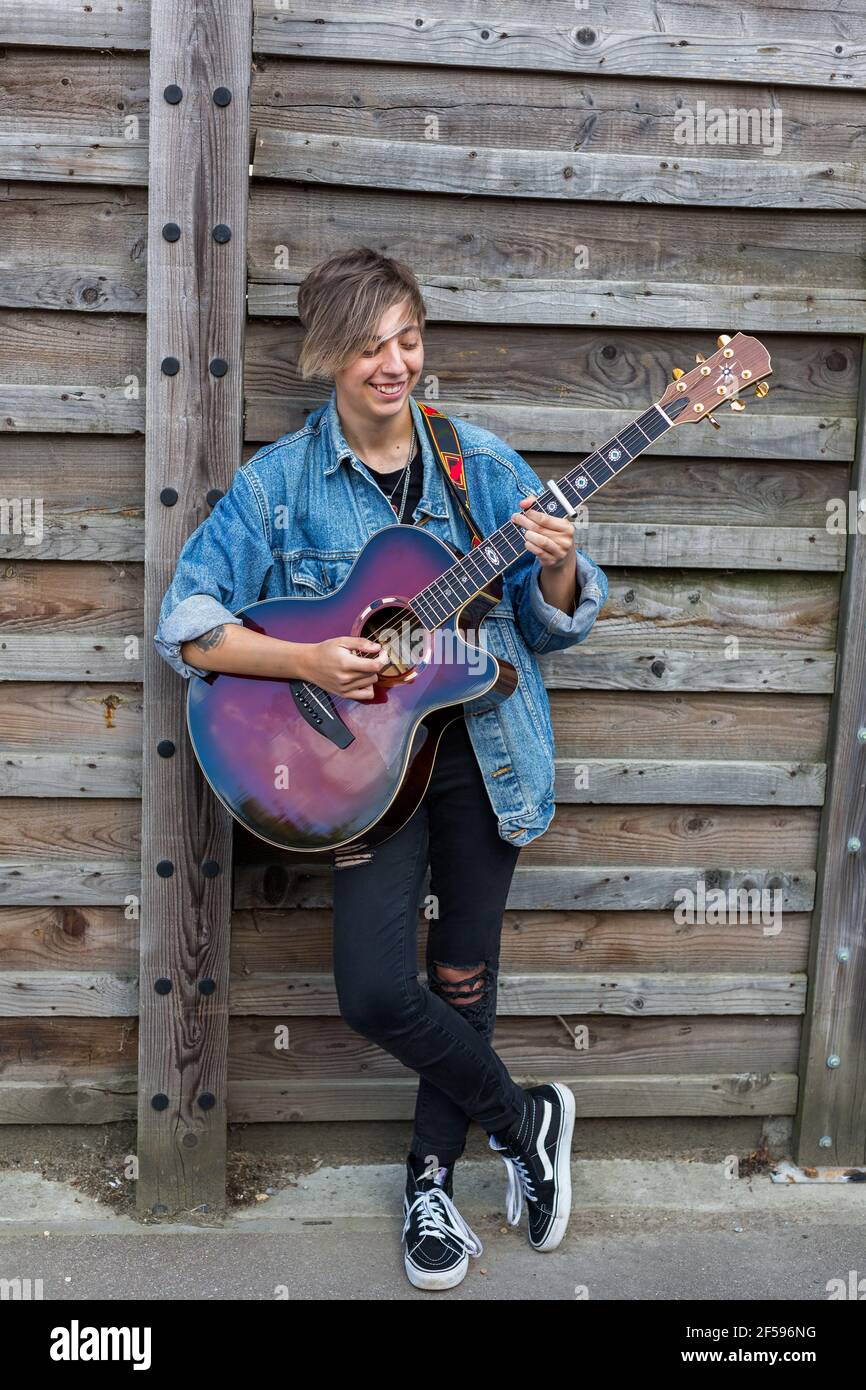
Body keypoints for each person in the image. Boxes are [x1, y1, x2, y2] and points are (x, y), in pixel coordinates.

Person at [154, 248, 608, 1291]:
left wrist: (557, 566)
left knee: (461, 980)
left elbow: (547, 629)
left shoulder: (477, 464)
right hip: (362, 772)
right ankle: (523, 1116)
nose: (395, 362)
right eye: (370, 345)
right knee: (371, 987)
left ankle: (430, 1186)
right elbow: (187, 622)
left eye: (408, 338)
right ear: (325, 355)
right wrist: (305, 657)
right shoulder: (280, 487)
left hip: (486, 762)